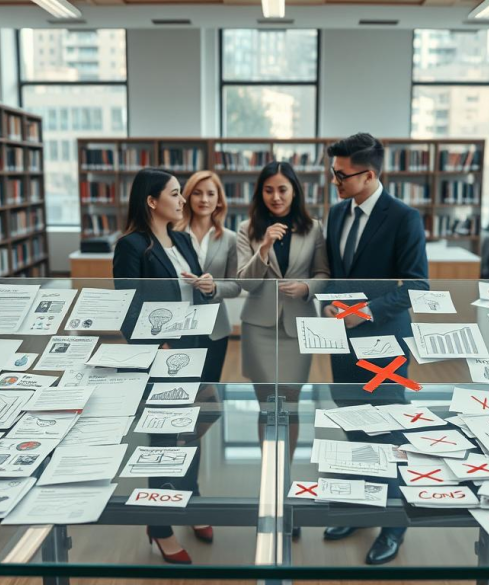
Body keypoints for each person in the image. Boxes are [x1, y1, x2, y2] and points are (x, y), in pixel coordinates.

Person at [321, 133, 429, 565]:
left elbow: (417, 286)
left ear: (369, 174)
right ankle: (360, 504)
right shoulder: (334, 213)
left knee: (389, 429)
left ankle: (394, 523)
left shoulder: (405, 218)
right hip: (342, 341)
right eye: (333, 173)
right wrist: (330, 300)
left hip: (386, 343)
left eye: (341, 175)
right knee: (352, 423)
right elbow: (338, 272)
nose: (334, 181)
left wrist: (360, 313)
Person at [112, 168, 216, 565]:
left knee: (200, 421)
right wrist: (157, 342)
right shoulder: (131, 246)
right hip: (162, 354)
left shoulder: (183, 239)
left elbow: (194, 294)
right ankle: (160, 524)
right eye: (175, 194)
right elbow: (128, 309)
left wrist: (205, 288)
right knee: (163, 437)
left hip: (194, 346)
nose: (183, 200)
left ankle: (189, 494)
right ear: (152, 201)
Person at [236, 161, 329, 483]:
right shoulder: (247, 229)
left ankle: (284, 477)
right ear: (260, 193)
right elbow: (243, 283)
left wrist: (307, 288)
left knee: (290, 404)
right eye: (269, 190)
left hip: (298, 327)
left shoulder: (314, 227)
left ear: (295, 191)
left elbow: (323, 274)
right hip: (258, 328)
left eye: (282, 189)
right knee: (267, 406)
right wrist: (263, 249)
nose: (276, 197)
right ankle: (271, 476)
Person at [176, 170, 241, 381]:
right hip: (178, 324)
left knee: (209, 391)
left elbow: (236, 285)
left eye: (211, 194)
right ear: (187, 197)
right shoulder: (171, 235)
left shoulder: (230, 238)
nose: (204, 199)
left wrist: (214, 288)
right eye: (197, 193)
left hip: (215, 326)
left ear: (219, 200)